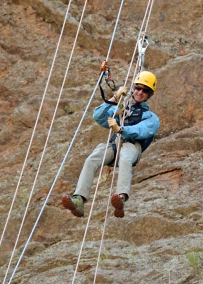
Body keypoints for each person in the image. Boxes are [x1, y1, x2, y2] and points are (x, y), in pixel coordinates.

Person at [61, 71, 160, 218]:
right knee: (92, 159)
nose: (140, 92)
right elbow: (98, 116)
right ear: (133, 88)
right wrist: (116, 97)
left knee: (125, 157)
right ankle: (79, 199)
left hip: (131, 146)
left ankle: (121, 197)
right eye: (138, 88)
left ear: (149, 94)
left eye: (145, 91)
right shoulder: (121, 109)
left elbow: (142, 130)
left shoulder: (151, 118)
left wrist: (120, 129)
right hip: (114, 144)